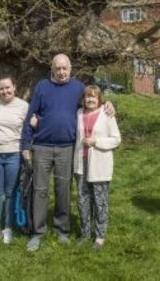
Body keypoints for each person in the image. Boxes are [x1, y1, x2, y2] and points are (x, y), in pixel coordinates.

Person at [20, 53, 114, 252]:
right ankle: (38, 231)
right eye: (58, 68)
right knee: (40, 190)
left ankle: (62, 229)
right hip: (42, 147)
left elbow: (93, 101)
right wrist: (26, 145)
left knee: (63, 190)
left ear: (70, 69)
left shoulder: (78, 87)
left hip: (67, 148)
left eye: (65, 68)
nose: (61, 72)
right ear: (52, 69)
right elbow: (30, 116)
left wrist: (108, 104)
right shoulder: (42, 87)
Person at [73, 84, 121, 251]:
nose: (90, 99)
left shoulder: (106, 114)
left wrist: (96, 142)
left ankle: (100, 236)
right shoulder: (79, 114)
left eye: (93, 96)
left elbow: (116, 139)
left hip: (99, 163)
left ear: (99, 98)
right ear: (83, 99)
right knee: (83, 200)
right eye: (87, 96)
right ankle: (85, 233)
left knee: (100, 201)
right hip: (81, 163)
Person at [0, 75, 29, 245]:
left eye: (8, 87)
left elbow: (29, 129)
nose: (5, 91)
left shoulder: (24, 106)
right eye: (1, 88)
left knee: (10, 193)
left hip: (14, 154)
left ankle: (8, 227)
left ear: (14, 87)